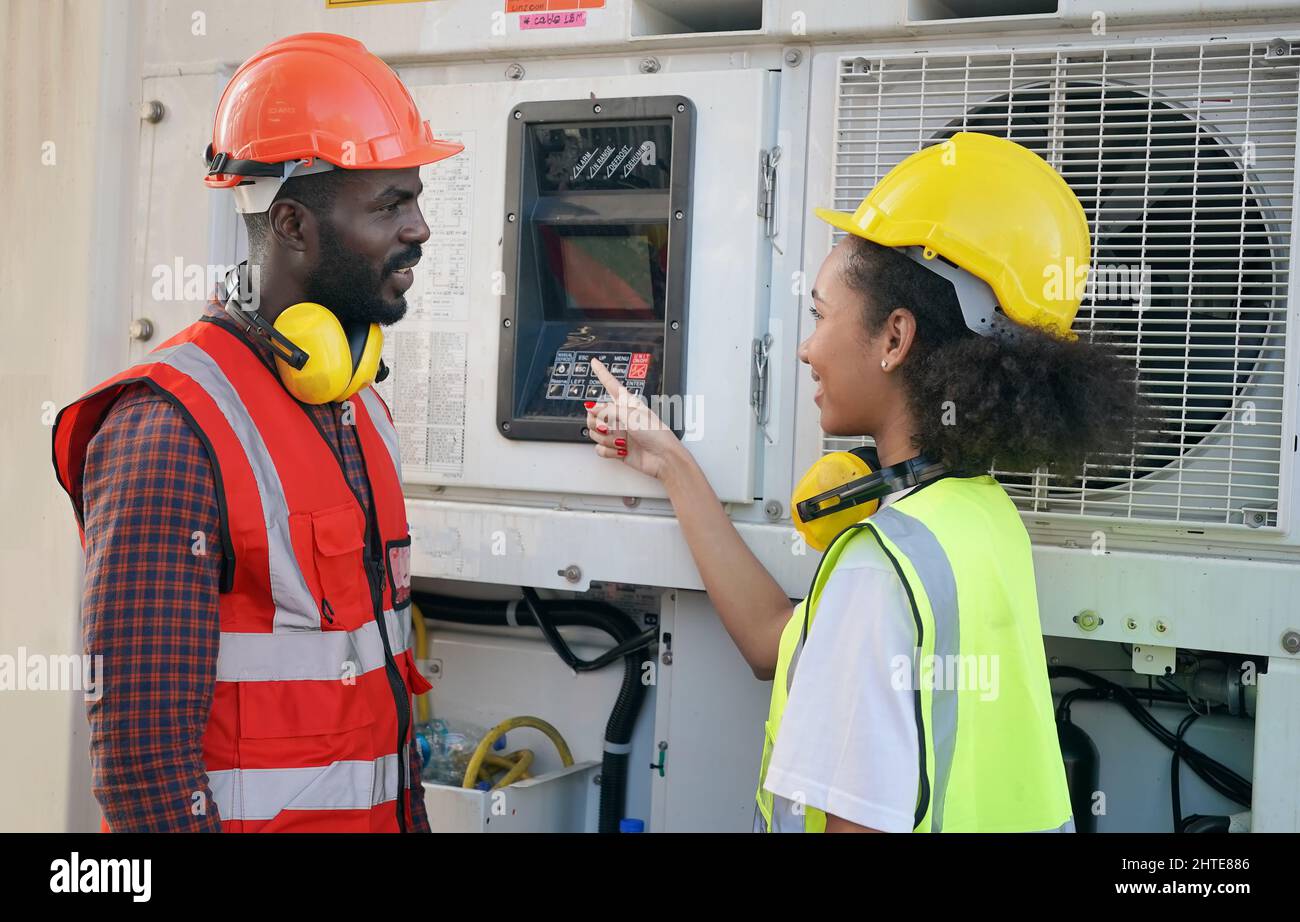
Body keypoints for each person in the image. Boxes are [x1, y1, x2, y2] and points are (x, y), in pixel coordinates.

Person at [583, 132, 1146, 832]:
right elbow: (775, 643)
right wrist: (672, 463)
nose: (805, 347)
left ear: (894, 338)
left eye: (820, 315)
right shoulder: (979, 520)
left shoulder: (879, 569)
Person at [51, 33, 462, 832]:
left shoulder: (361, 409)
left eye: (415, 197)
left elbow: (383, 708)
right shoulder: (168, 429)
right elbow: (145, 772)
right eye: (389, 204)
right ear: (292, 224)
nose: (419, 228)